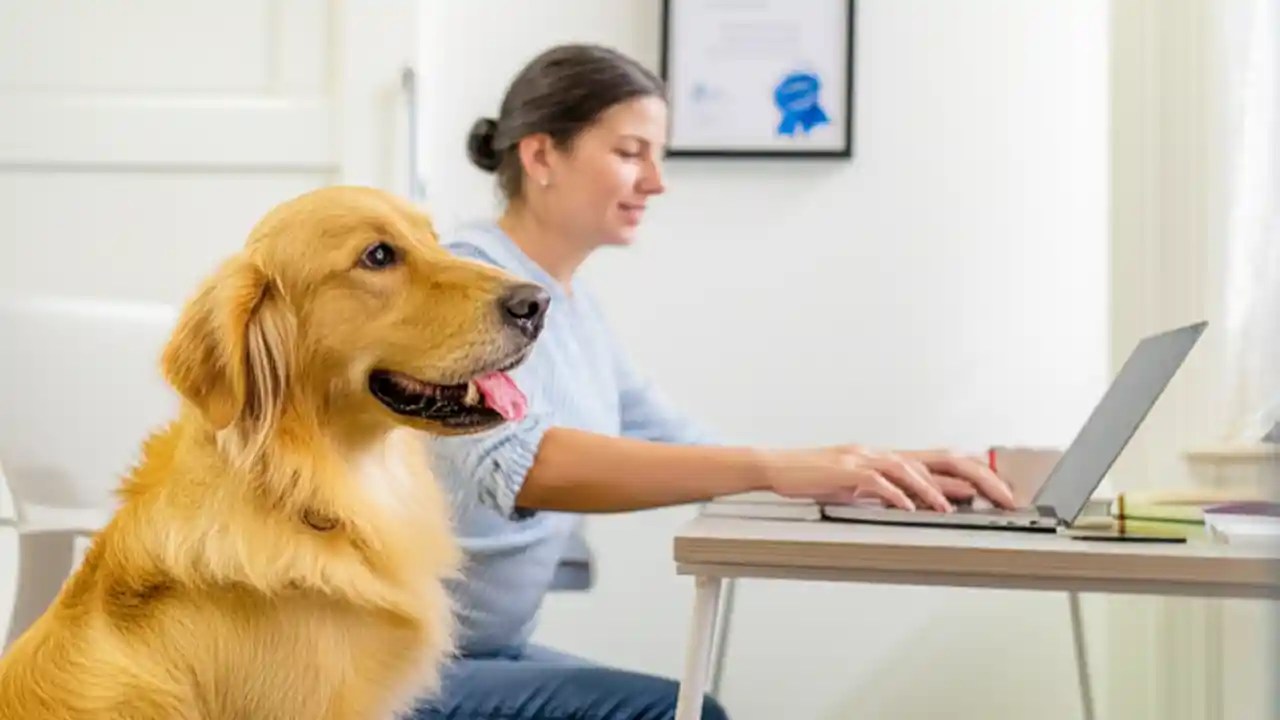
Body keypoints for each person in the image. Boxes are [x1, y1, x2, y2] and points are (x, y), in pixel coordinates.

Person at [409, 43, 1016, 720]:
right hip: (404, 666)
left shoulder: (571, 309)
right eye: (631, 152)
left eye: (657, 155)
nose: (657, 180)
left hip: (485, 653)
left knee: (691, 707)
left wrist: (862, 469)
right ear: (542, 155)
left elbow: (682, 442)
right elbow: (519, 464)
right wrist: (774, 468)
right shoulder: (471, 286)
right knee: (685, 713)